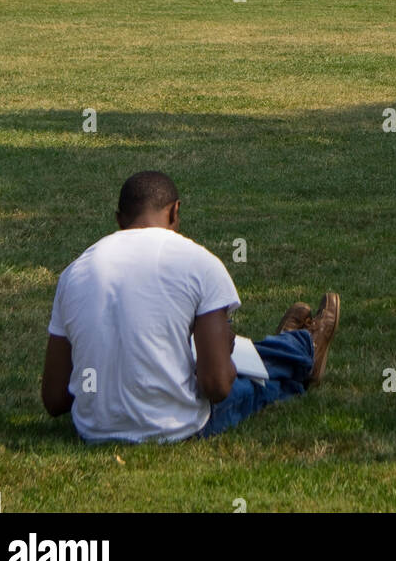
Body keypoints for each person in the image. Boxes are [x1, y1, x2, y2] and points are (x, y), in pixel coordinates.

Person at [41, 170, 340, 443]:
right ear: (175, 211)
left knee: (219, 357)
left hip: (93, 431)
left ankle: (291, 348)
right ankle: (302, 349)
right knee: (251, 387)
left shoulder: (74, 273)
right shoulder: (199, 263)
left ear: (119, 220)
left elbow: (54, 399)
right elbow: (217, 387)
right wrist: (225, 361)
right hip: (175, 427)